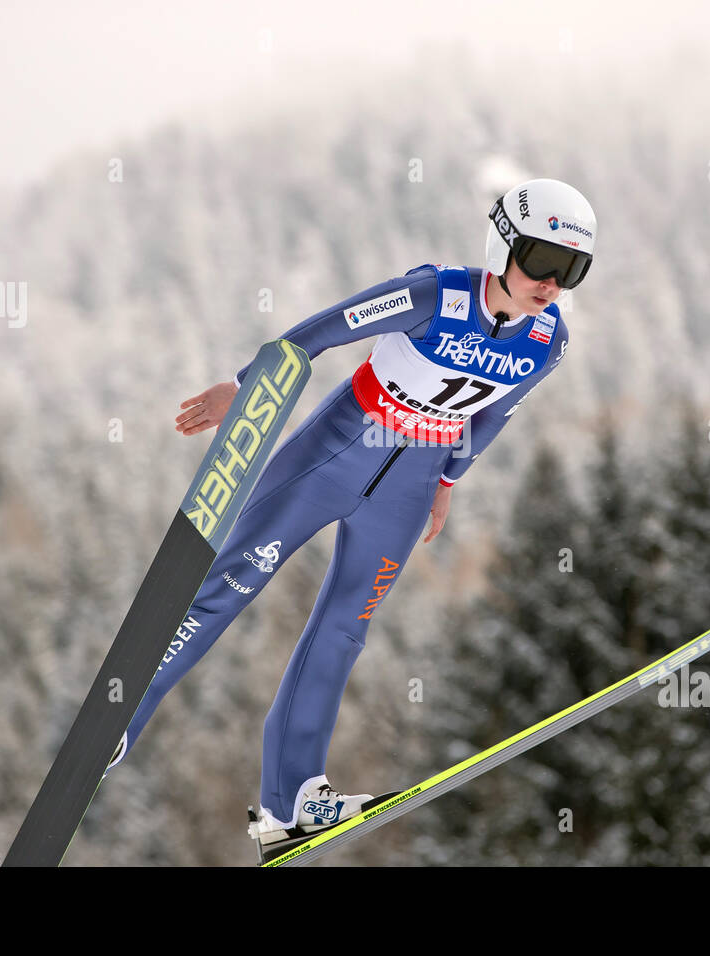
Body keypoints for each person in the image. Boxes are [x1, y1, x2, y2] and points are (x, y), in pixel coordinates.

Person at [105, 177, 597, 853]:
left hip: (411, 483)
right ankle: (120, 717)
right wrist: (249, 388)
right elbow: (323, 331)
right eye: (541, 259)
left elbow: (495, 412)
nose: (551, 281)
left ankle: (291, 802)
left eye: (570, 270)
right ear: (502, 244)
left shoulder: (550, 338)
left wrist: (449, 478)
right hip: (340, 445)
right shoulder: (436, 294)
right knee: (231, 583)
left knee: (343, 630)